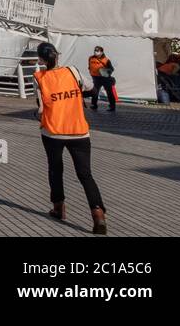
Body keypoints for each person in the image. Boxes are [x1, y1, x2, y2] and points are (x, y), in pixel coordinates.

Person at [34, 41, 107, 234]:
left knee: (55, 169)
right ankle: (98, 214)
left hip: (53, 132)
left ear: (41, 60)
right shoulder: (73, 72)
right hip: (79, 131)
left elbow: (41, 110)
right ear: (57, 56)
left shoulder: (39, 77)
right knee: (85, 174)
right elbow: (91, 89)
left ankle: (59, 208)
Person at [87, 46, 116, 112]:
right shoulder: (90, 58)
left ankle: (112, 106)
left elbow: (111, 69)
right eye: (95, 50)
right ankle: (94, 105)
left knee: (109, 92)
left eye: (98, 51)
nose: (96, 52)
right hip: (96, 78)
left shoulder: (106, 60)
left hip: (105, 78)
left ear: (102, 52)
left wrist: (105, 72)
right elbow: (90, 66)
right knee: (95, 91)